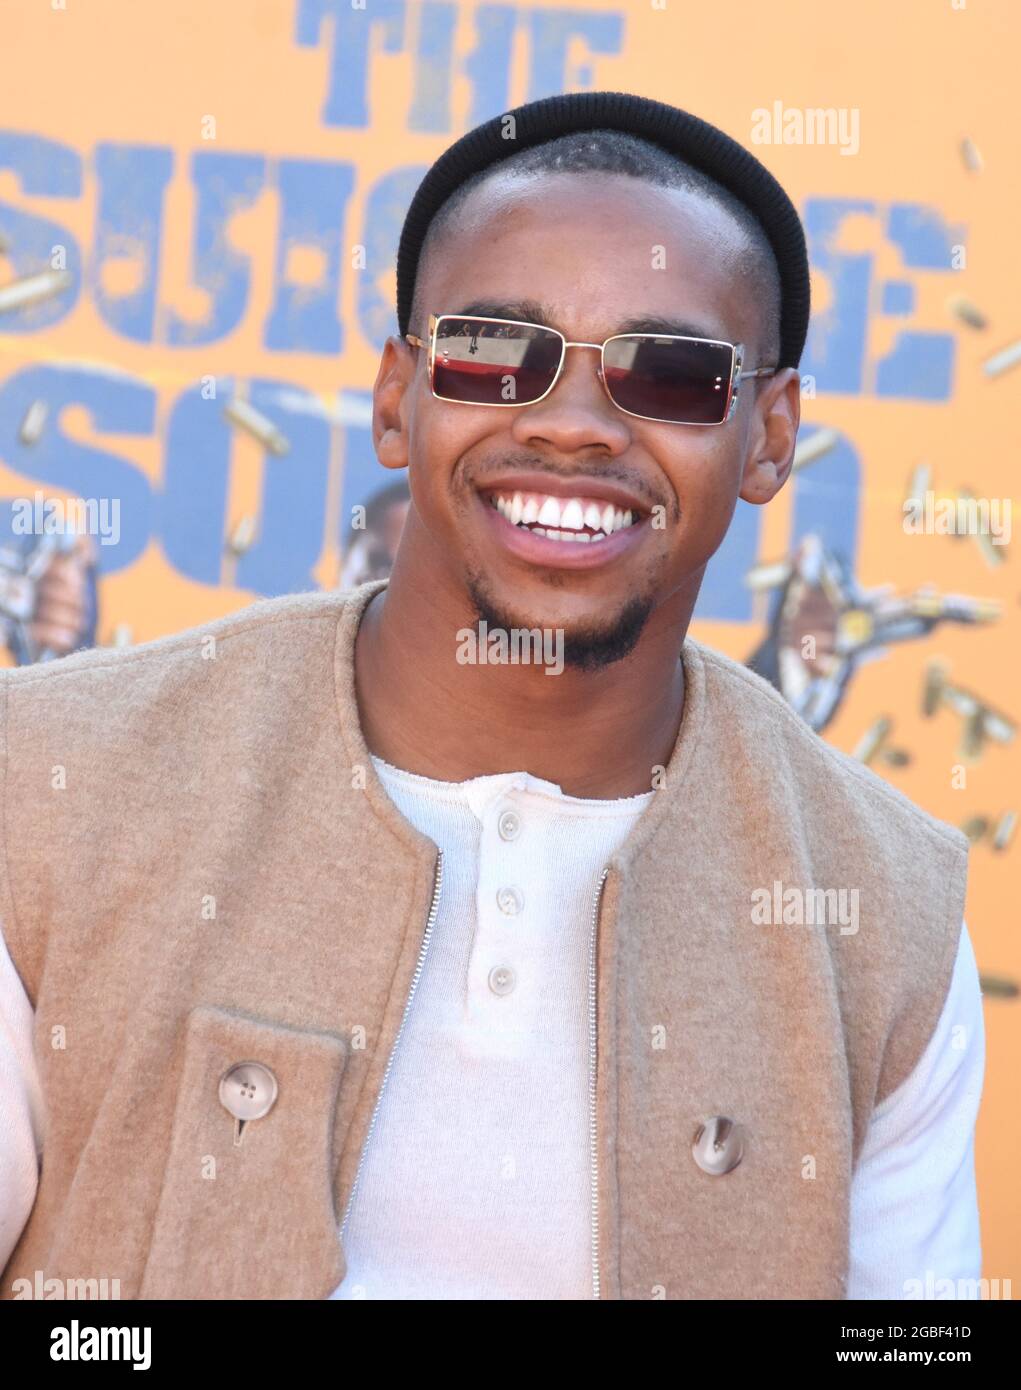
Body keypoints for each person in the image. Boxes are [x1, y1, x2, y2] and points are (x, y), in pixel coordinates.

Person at [0, 91, 983, 1301]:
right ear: (394, 399)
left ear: (769, 436)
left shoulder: (882, 915)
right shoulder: (43, 794)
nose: (571, 426)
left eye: (668, 374)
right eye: (491, 351)